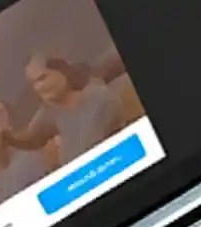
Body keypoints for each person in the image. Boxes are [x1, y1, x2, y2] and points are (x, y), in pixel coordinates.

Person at [8, 52, 136, 165]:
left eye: (43, 78)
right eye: (33, 83)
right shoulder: (48, 113)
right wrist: (7, 137)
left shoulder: (98, 99)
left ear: (62, 71)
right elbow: (32, 138)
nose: (38, 87)